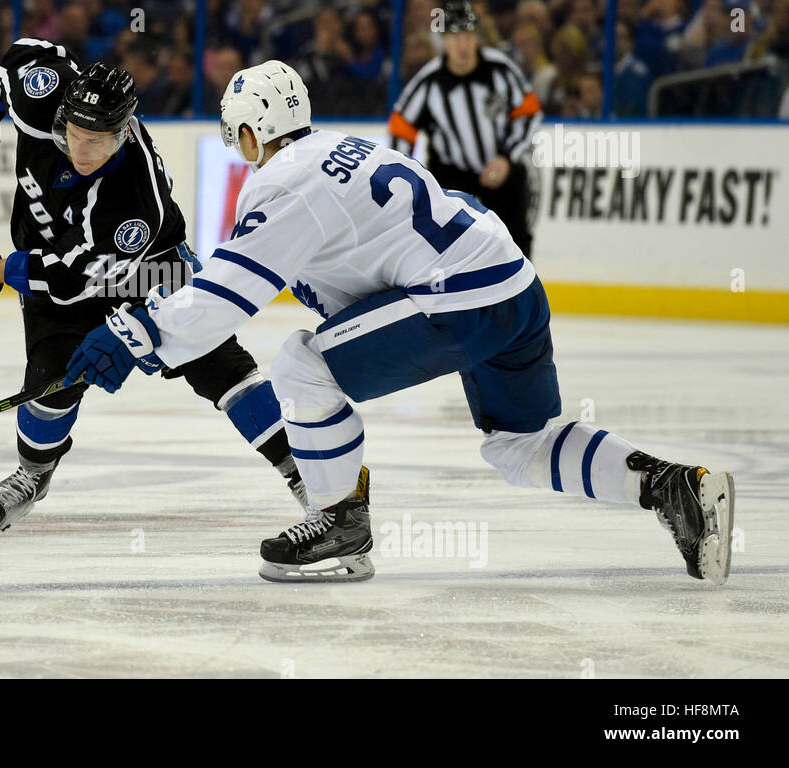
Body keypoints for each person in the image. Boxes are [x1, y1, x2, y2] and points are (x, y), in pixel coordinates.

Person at [65, 60, 734, 586]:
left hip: (459, 299)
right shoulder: (347, 151)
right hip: (512, 284)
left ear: (250, 131)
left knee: (302, 364)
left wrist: (139, 333)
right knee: (521, 444)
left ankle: (339, 525)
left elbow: (236, 289)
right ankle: (675, 487)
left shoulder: (286, 182)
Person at [0, 39, 304, 534]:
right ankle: (33, 474)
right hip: (62, 264)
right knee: (48, 385)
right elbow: (15, 61)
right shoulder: (40, 92)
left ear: (126, 131)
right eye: (75, 135)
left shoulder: (135, 198)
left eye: (100, 141)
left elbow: (69, 280)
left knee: (223, 370)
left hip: (149, 273)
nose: (83, 151)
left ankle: (307, 478)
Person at [389, 1, 541, 256]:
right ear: (445, 41)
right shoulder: (428, 82)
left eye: (469, 36)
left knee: (516, 240)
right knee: (446, 246)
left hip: (501, 168)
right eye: (455, 37)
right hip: (451, 175)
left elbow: (528, 113)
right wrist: (411, 180)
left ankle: (519, 291)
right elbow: (400, 129)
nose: (463, 45)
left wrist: (507, 158)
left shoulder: (500, 70)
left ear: (477, 38)